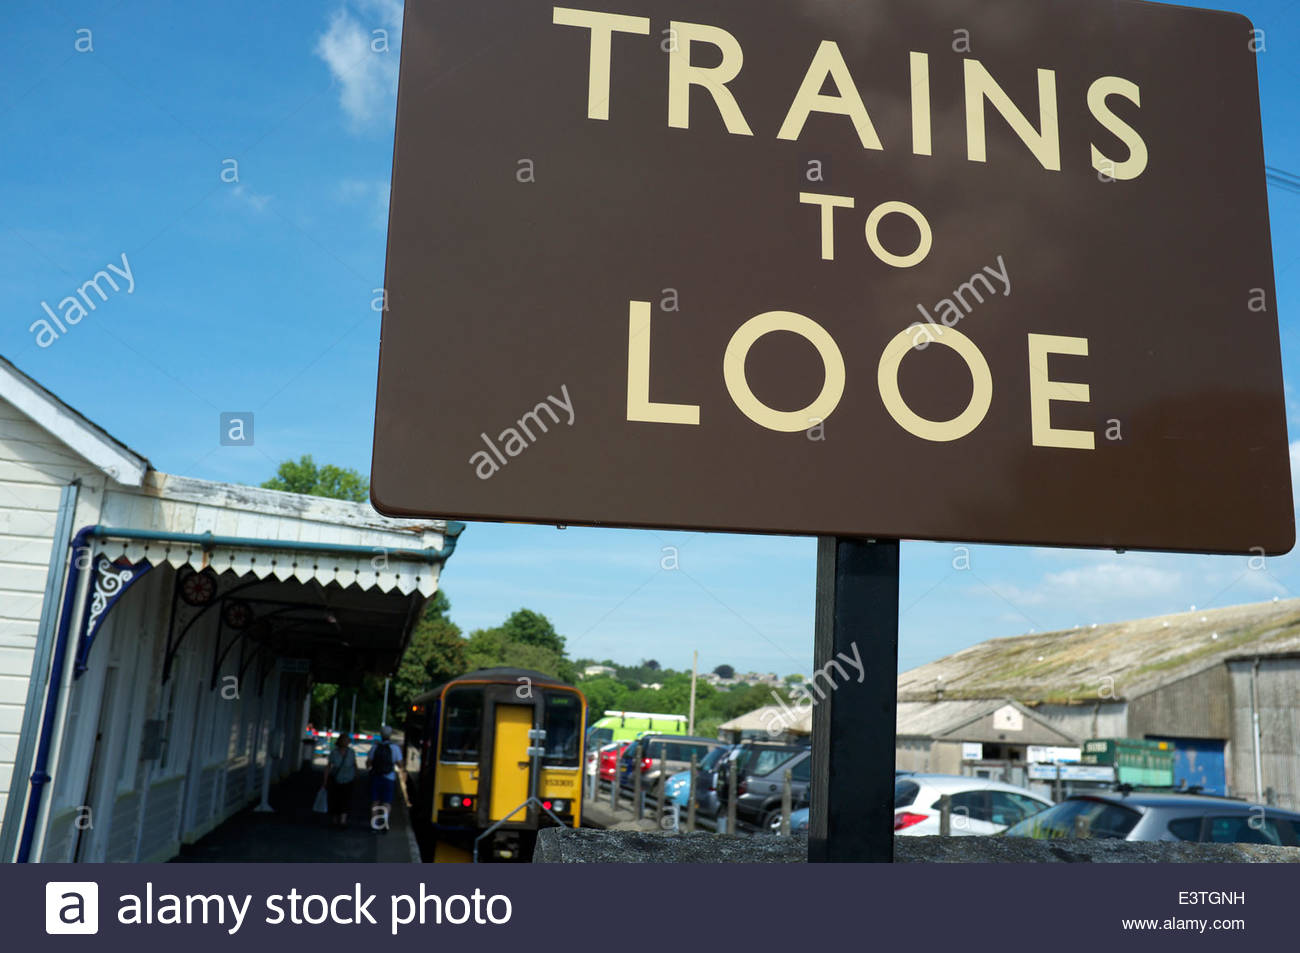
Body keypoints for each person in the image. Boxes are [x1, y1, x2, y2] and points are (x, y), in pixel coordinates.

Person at [366, 725, 402, 832]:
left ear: (381, 735)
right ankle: (384, 824)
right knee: (386, 802)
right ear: (390, 735)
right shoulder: (395, 748)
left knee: (375, 801)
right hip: (389, 778)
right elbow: (400, 764)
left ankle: (374, 825)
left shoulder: (375, 747)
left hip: (376, 777)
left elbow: (368, 763)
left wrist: (370, 768)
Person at [321, 733, 356, 828]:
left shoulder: (351, 752)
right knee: (335, 799)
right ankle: (336, 819)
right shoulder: (334, 753)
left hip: (348, 779)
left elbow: (354, 765)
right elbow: (328, 767)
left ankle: (342, 820)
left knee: (345, 800)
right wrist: (325, 781)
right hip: (336, 779)